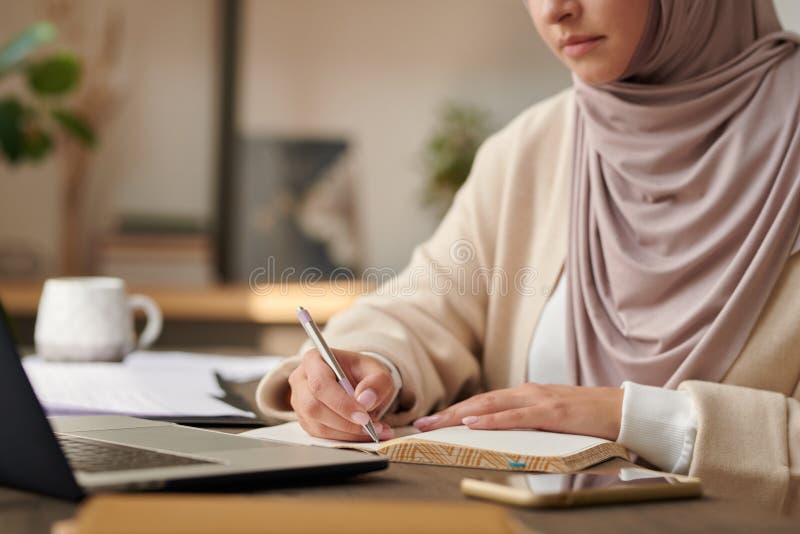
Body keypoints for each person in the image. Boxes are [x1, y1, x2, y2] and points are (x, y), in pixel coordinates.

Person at [257, 0, 800, 513]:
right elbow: (425, 305)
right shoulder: (534, 148)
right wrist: (371, 367)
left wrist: (634, 418)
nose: (552, 10)